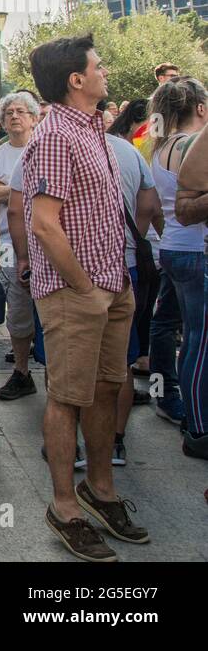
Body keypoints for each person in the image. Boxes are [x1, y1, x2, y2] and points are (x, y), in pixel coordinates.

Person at [21, 34, 147, 562]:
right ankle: (64, 506)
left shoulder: (93, 128)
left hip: (112, 285)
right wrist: (84, 287)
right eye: (97, 65)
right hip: (77, 292)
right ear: (76, 79)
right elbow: (45, 226)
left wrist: (114, 287)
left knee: (105, 389)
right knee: (68, 396)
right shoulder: (54, 134)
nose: (104, 70)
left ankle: (102, 490)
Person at [148, 79, 205, 440]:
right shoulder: (190, 146)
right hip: (194, 249)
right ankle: (195, 420)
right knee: (198, 339)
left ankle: (167, 396)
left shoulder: (159, 147)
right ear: (200, 108)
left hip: (172, 246)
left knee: (167, 324)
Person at [105, 120, 161, 467]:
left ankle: (80, 443)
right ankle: (115, 441)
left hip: (77, 273)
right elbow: (149, 202)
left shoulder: (52, 145)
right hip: (127, 265)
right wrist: (133, 238)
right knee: (122, 360)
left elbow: (26, 213)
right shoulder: (127, 149)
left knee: (74, 364)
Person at [0, 92, 42, 400]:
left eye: (21, 111)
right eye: (9, 113)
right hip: (7, 241)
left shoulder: (45, 149)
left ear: (34, 118)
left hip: (45, 242)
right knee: (17, 310)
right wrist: (28, 188)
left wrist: (9, 190)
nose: (15, 116)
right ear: (2, 122)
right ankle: (21, 371)